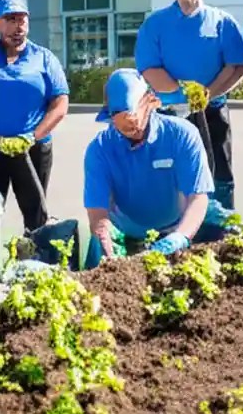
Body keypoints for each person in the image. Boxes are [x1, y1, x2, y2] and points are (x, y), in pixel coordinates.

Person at [82, 68, 232, 268]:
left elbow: (197, 197)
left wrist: (180, 237)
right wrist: (106, 242)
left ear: (150, 102)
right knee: (97, 253)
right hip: (128, 228)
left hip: (178, 222)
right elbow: (97, 212)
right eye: (123, 126)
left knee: (230, 232)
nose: (132, 132)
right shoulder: (99, 149)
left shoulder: (181, 134)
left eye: (135, 123)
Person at [134, 0, 243, 210]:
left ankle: (222, 226)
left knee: (220, 174)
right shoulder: (155, 24)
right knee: (172, 173)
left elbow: (236, 66)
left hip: (212, 112)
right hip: (169, 113)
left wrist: (206, 94)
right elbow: (149, 69)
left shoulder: (222, 22)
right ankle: (174, 226)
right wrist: (181, 93)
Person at [0, 0, 70, 232]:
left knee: (35, 214)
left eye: (22, 20)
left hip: (33, 147)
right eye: (10, 19)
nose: (17, 26)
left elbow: (60, 104)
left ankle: (36, 262)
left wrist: (33, 136)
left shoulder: (44, 58)